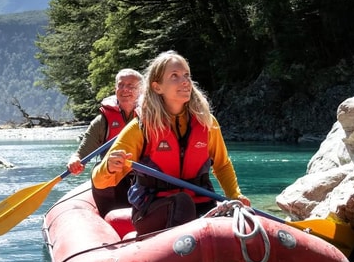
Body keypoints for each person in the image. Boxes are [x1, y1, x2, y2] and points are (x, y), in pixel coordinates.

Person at [92, 50, 250, 236]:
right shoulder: (140, 128)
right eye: (174, 76)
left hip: (202, 206)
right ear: (157, 87)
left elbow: (222, 165)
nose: (185, 81)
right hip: (152, 210)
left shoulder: (207, 123)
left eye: (186, 75)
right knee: (182, 202)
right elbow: (100, 182)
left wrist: (235, 195)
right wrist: (110, 168)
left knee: (236, 213)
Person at [67, 68, 143, 213]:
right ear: (115, 89)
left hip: (143, 178)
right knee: (100, 170)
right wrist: (75, 160)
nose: (125, 89)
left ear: (141, 91)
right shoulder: (103, 121)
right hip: (112, 178)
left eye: (131, 86)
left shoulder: (151, 118)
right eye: (121, 85)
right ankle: (110, 218)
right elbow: (82, 152)